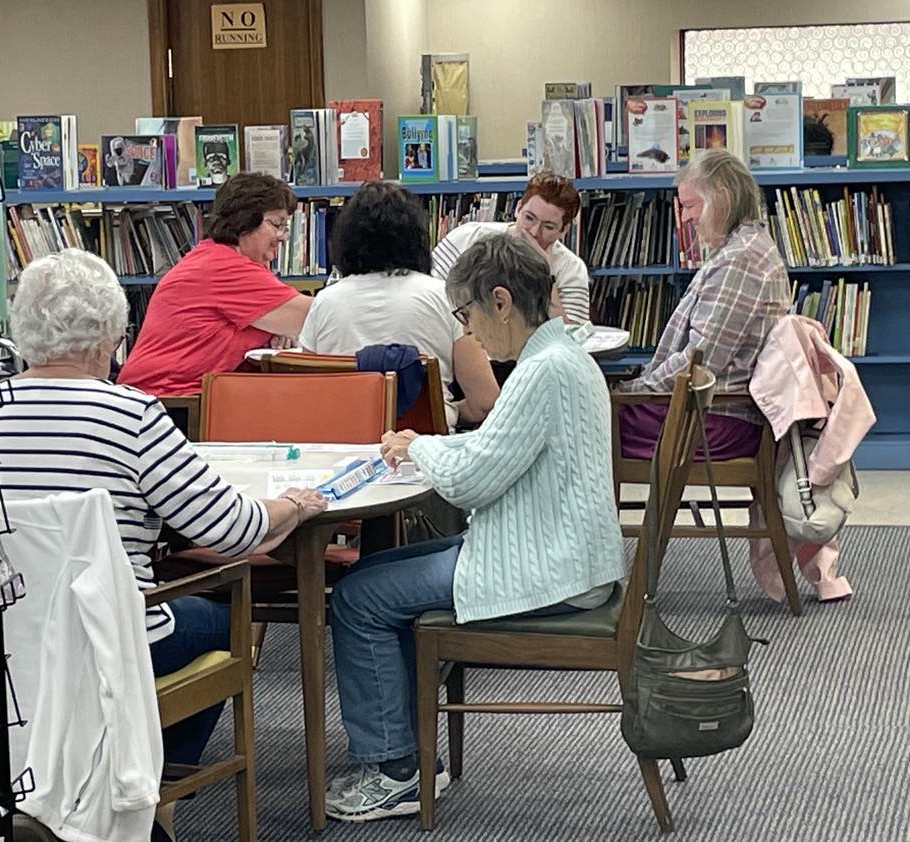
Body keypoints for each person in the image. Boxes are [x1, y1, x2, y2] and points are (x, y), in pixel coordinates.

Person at [0, 249, 327, 842]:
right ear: (109, 335)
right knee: (219, 618)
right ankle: (151, 798)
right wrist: (292, 506)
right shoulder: (131, 414)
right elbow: (231, 529)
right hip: (111, 642)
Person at [325, 235, 623, 823]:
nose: (468, 330)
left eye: (467, 314)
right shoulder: (563, 356)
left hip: (552, 565)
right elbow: (494, 450)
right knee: (371, 574)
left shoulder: (542, 372)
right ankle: (408, 753)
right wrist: (427, 445)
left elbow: (472, 483)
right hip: (565, 550)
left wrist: (419, 447)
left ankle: (395, 770)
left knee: (359, 598)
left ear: (501, 302)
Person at [617, 149, 790, 458]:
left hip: (715, 418)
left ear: (721, 198)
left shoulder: (740, 260)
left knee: (591, 423)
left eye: (689, 205)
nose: (685, 218)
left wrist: (634, 390)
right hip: (709, 410)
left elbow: (700, 361)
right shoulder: (742, 248)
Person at [297, 181, 499, 429]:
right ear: (417, 238)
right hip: (423, 443)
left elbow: (306, 394)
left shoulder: (325, 302)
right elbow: (485, 402)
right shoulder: (445, 298)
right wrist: (443, 411)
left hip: (344, 440)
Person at [117, 173, 311, 396]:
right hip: (169, 398)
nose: (283, 236)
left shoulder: (216, 258)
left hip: (172, 393)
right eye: (276, 224)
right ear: (244, 221)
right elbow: (318, 318)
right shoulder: (226, 268)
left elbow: (294, 320)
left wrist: (282, 329)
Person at [431, 171, 591, 324]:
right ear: (518, 208)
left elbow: (571, 336)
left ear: (563, 230)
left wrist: (546, 276)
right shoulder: (467, 237)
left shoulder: (571, 269)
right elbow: (430, 299)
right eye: (529, 218)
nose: (534, 232)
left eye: (548, 227)